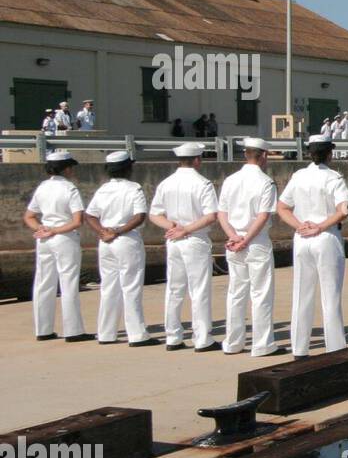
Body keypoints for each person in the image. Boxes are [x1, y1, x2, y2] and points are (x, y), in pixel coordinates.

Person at [278, 135, 348, 358]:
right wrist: (319, 226)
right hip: (326, 237)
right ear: (329, 153)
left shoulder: (299, 176)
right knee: (330, 296)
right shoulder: (334, 178)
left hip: (302, 239)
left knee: (302, 294)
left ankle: (299, 349)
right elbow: (343, 211)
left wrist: (301, 226)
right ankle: (335, 348)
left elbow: (282, 207)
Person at [149, 142, 219, 352]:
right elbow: (210, 216)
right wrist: (186, 229)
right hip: (194, 239)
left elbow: (154, 214)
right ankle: (202, 337)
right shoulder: (203, 183)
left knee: (174, 288)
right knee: (199, 290)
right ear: (197, 160)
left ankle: (173, 336)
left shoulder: (166, 183)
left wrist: (172, 226)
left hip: (174, 239)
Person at [84, 151, 156, 346]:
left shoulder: (103, 189)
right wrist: (117, 231)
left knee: (109, 287)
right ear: (128, 169)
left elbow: (90, 215)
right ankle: (137, 334)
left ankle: (106, 333)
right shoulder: (134, 188)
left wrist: (102, 231)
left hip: (105, 241)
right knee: (131, 286)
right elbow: (139, 216)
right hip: (125, 239)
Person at [217, 137, 280, 357]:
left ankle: (233, 342)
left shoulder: (230, 180)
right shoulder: (265, 182)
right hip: (256, 241)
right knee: (260, 292)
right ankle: (262, 344)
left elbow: (221, 213)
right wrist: (246, 239)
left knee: (236, 292)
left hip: (234, 241)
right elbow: (263, 216)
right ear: (263, 155)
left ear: (246, 154)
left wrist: (233, 236)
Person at [24, 150, 92, 342]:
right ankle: (73, 330)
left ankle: (43, 329)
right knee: (68, 282)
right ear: (67, 168)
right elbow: (78, 220)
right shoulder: (69, 189)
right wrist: (55, 230)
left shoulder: (43, 187)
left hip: (44, 239)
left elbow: (28, 216)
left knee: (43, 282)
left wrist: (42, 228)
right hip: (64, 237)